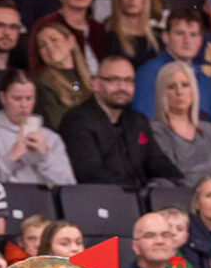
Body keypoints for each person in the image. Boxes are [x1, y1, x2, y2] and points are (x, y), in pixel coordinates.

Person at [61, 56, 185, 188]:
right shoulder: (77, 121)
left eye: (128, 81)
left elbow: (157, 162)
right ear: (95, 84)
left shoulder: (138, 121)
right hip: (102, 201)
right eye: (113, 80)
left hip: (138, 199)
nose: (122, 87)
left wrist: (178, 183)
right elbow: (90, 175)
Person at [132, 8, 211, 128]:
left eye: (193, 34)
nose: (187, 40)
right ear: (165, 37)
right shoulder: (149, 73)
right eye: (180, 33)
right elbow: (143, 125)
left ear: (200, 41)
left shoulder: (205, 80)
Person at [0, 71, 76, 187]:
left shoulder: (51, 138)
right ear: (2, 98)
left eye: (29, 98)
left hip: (41, 203)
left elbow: (69, 186)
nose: (24, 105)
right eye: (17, 98)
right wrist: (10, 158)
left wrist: (45, 157)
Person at [150, 61, 211, 187]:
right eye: (171, 87)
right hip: (178, 196)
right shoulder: (156, 131)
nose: (179, 92)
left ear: (193, 91)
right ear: (161, 92)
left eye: (185, 85)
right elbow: (170, 175)